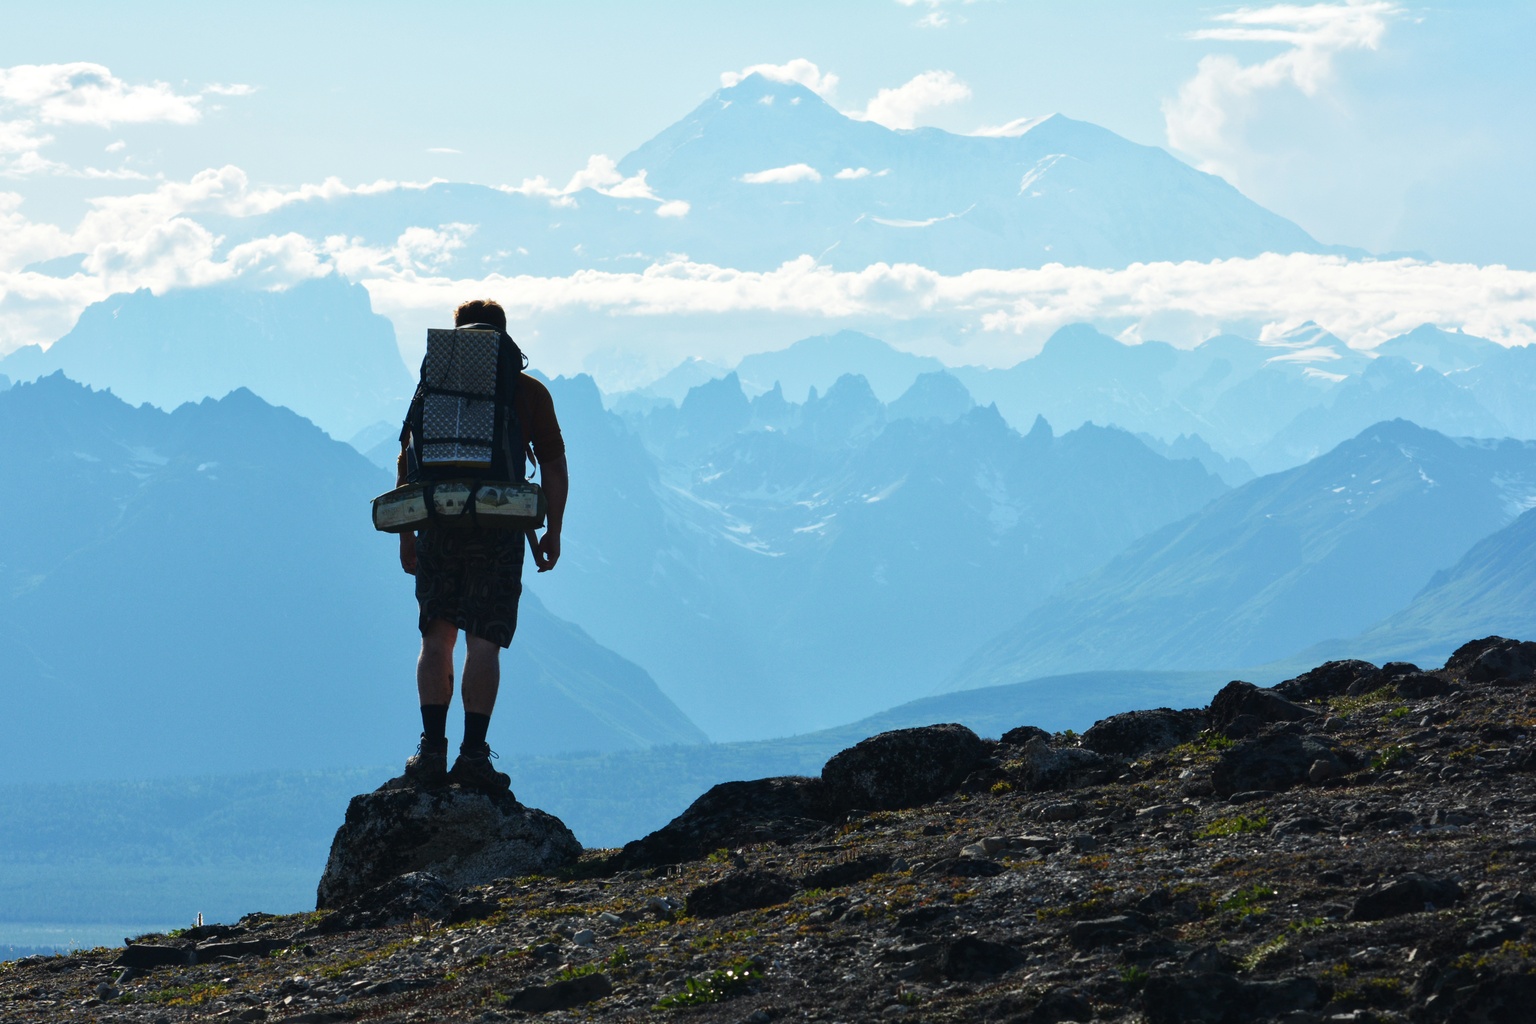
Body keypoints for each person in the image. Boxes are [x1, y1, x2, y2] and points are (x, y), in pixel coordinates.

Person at [396, 299, 569, 791]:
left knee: (436, 637)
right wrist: (552, 530)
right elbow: (554, 466)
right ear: (503, 337)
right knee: (483, 642)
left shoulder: (434, 385)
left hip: (438, 524)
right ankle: (473, 756)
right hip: (498, 528)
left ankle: (431, 751)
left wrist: (408, 536)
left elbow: (407, 461)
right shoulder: (527, 390)